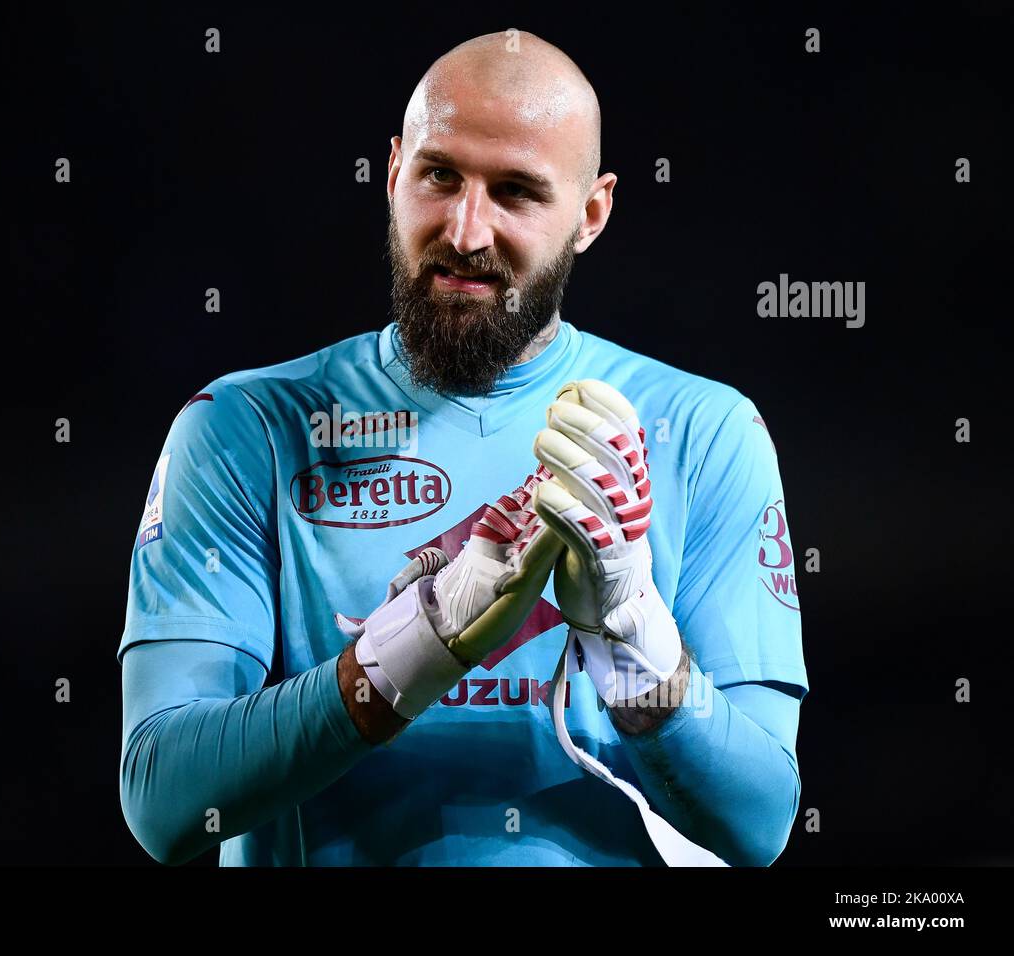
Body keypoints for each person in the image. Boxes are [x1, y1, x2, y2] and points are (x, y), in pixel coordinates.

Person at [119, 30, 807, 866]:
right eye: (440, 175)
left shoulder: (704, 431)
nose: (466, 231)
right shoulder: (243, 426)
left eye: (516, 191)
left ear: (591, 214)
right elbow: (166, 804)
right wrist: (409, 651)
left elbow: (760, 825)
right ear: (393, 170)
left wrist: (632, 634)